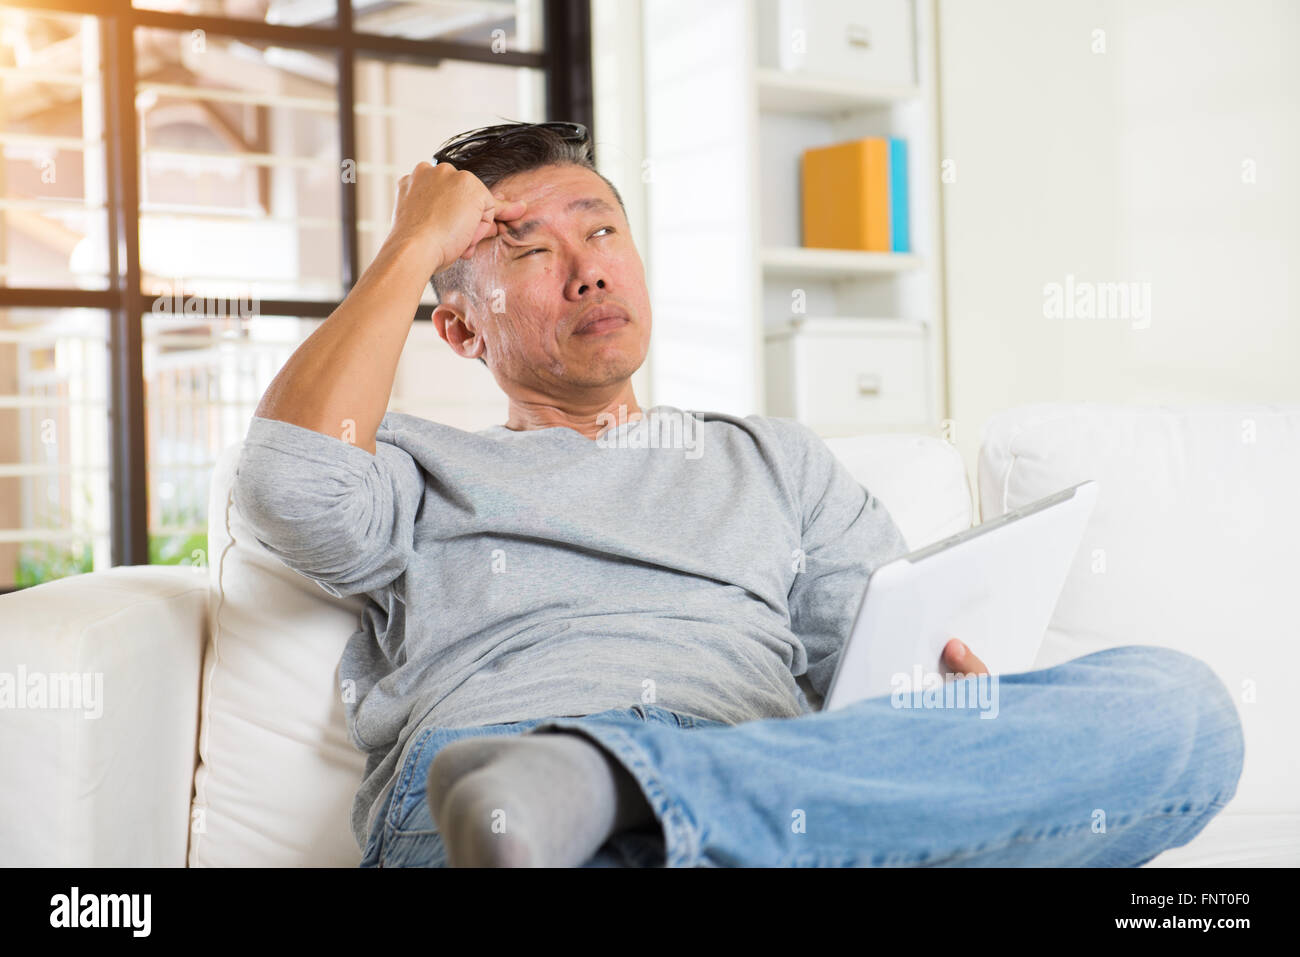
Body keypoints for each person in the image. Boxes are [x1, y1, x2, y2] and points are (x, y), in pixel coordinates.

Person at [233, 121, 1244, 868]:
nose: (588, 272)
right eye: (531, 250)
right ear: (458, 329)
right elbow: (289, 482)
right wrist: (415, 244)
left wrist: (949, 705)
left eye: (604, 232)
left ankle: (619, 789)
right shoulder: (412, 468)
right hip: (503, 796)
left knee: (1184, 712)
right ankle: (589, 788)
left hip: (764, 802)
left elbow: (878, 679)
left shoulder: (776, 464)